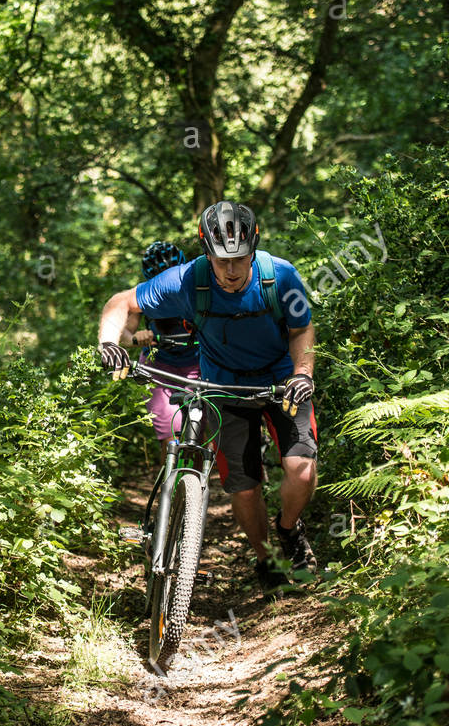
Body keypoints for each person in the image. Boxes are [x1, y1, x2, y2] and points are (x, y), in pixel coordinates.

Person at [97, 201, 318, 589]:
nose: (231, 271)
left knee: (301, 471)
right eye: (221, 261)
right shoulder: (186, 281)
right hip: (222, 387)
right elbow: (122, 303)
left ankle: (289, 531)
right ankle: (267, 561)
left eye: (240, 259)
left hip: (281, 381)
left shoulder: (281, 277)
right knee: (244, 486)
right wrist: (109, 343)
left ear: (254, 248)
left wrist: (303, 373)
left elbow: (301, 329)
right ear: (206, 253)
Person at [128, 241, 196, 446]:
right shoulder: (143, 296)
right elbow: (124, 333)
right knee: (170, 439)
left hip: (197, 367)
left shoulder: (196, 292)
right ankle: (170, 477)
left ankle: (199, 477)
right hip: (160, 370)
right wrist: (136, 337)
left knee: (198, 434)